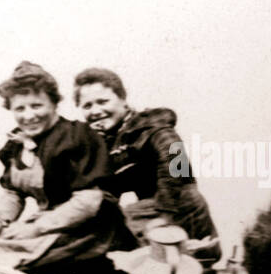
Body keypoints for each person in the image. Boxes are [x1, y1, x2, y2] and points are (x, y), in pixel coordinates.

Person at [0, 61, 133, 274]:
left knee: (0, 263)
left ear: (54, 104)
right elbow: (13, 193)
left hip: (89, 231)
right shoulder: (18, 144)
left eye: (37, 106)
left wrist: (37, 228)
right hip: (50, 225)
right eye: (20, 108)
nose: (29, 116)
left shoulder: (77, 136)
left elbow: (88, 201)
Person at [73, 67, 219, 261]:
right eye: (87, 106)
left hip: (180, 210)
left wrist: (164, 218)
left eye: (102, 102)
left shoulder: (154, 127)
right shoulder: (106, 143)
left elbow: (179, 168)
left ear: (123, 100)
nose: (96, 111)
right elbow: (105, 194)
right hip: (149, 217)